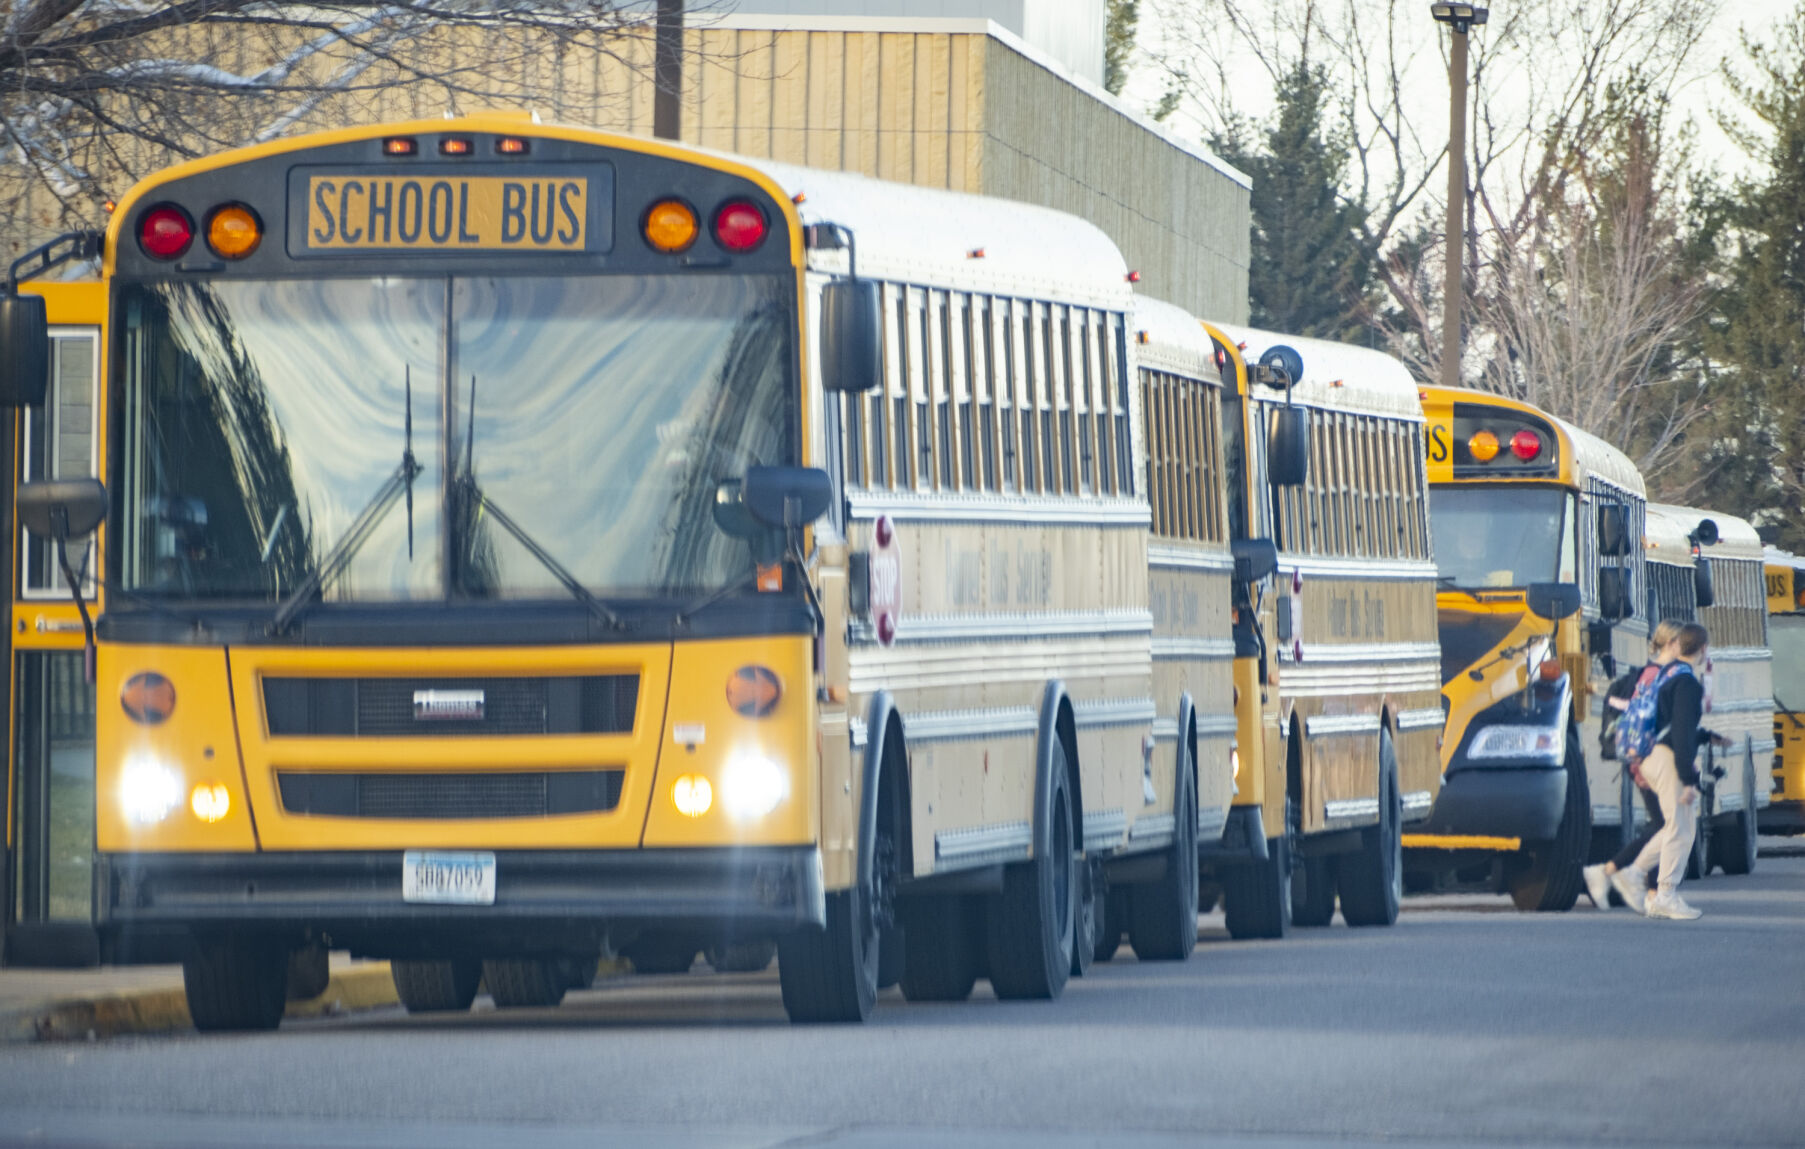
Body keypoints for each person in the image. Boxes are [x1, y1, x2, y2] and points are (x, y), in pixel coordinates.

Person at [1583, 620, 1682, 913]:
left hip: (1651, 762)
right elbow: (1644, 725)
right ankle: (1615, 875)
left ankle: (1642, 886)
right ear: (1669, 644)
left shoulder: (1660, 674)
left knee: (1664, 826)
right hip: (1650, 763)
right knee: (1666, 827)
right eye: (1682, 643)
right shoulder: (1655, 677)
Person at [1618, 622, 1712, 921]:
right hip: (1666, 758)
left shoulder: (1665, 674)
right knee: (1683, 829)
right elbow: (1682, 736)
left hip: (1647, 755)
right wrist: (1689, 779)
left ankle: (1633, 873)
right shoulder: (1687, 683)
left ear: (1677, 645)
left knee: (1673, 826)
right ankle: (1666, 895)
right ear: (1703, 649)